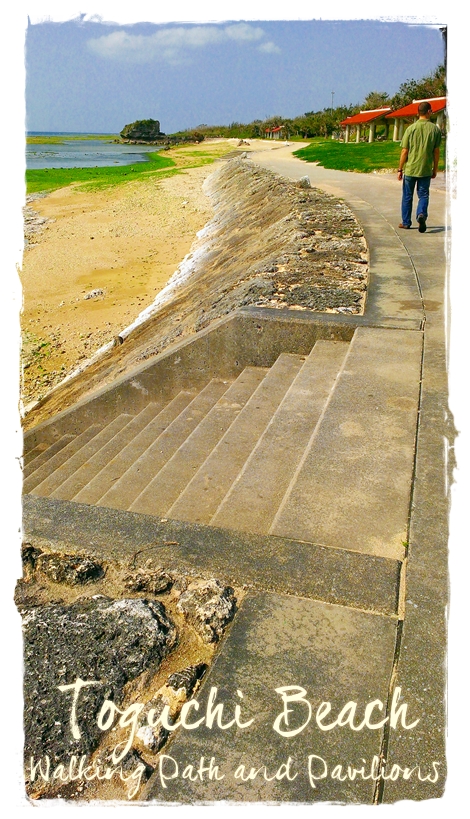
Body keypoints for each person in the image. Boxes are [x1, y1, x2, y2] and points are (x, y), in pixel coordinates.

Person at [397, 101, 442, 233]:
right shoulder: (435, 130)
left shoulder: (410, 129)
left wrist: (400, 169)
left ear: (418, 113)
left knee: (407, 196)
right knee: (423, 195)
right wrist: (435, 169)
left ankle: (406, 222)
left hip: (410, 169)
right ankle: (421, 214)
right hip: (425, 169)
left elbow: (404, 151)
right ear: (429, 112)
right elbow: (436, 152)